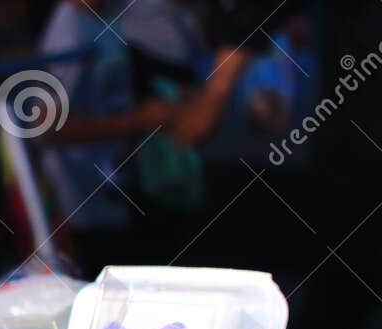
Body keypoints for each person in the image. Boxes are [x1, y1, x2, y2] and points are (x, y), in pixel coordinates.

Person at [36, 0, 250, 271]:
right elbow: (47, 126)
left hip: (124, 196)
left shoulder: (112, 15)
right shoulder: (69, 27)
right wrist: (137, 121)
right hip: (85, 209)